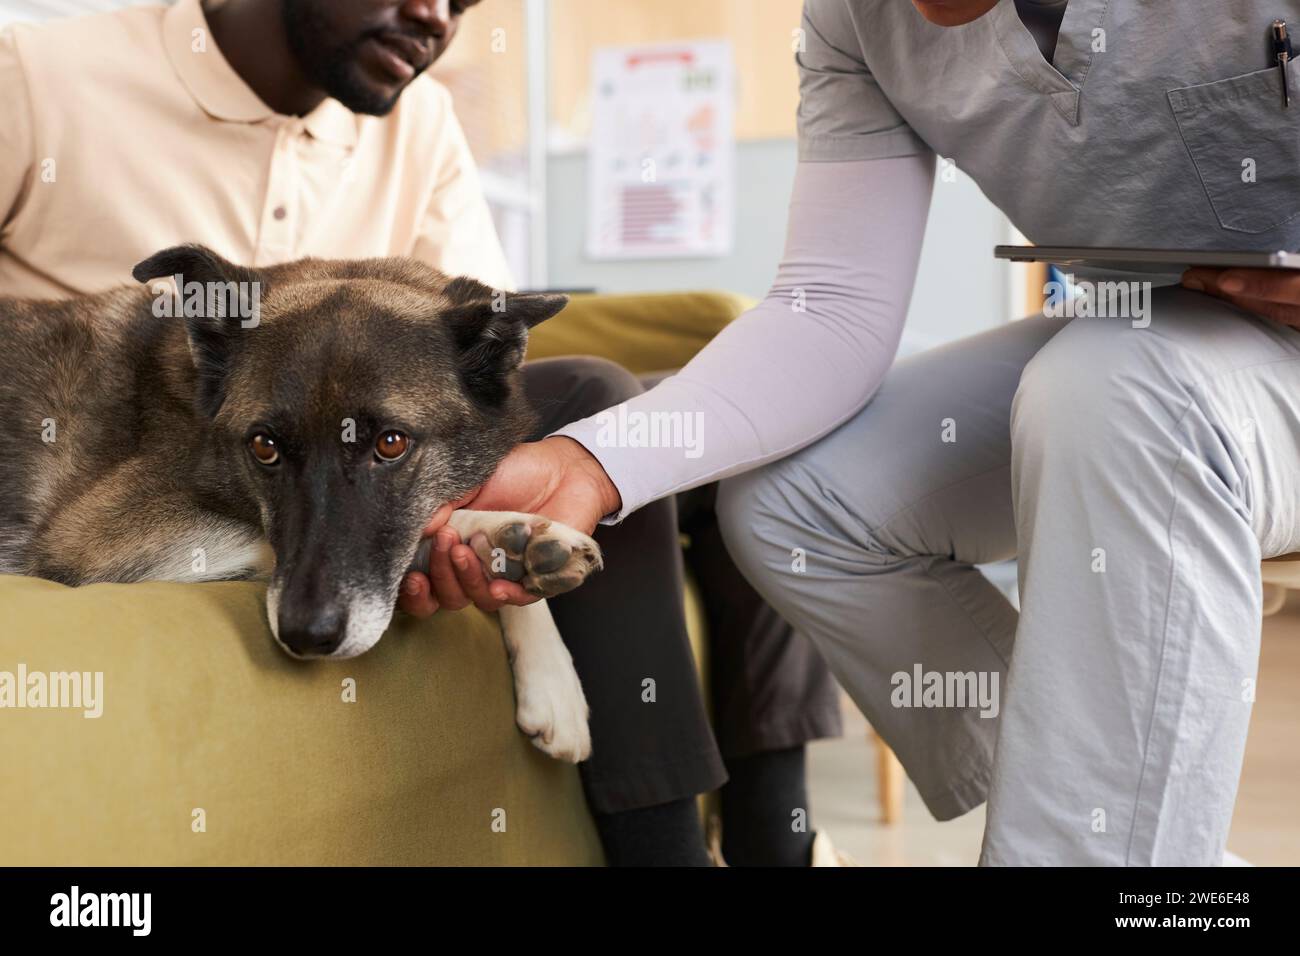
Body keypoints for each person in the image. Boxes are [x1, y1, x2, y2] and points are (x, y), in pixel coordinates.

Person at [452, 0, 1300, 865]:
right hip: (1152, 335)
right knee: (793, 501)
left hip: (1204, 370)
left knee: (1113, 389)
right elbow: (831, 310)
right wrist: (590, 464)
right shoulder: (854, 22)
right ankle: (1135, 854)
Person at [0, 0, 843, 866]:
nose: (434, 17)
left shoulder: (419, 115)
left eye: (464, 1)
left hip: (383, 427)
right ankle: (663, 849)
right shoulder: (40, 74)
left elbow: (478, 343)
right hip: (188, 429)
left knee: (715, 430)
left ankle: (779, 839)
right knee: (600, 395)